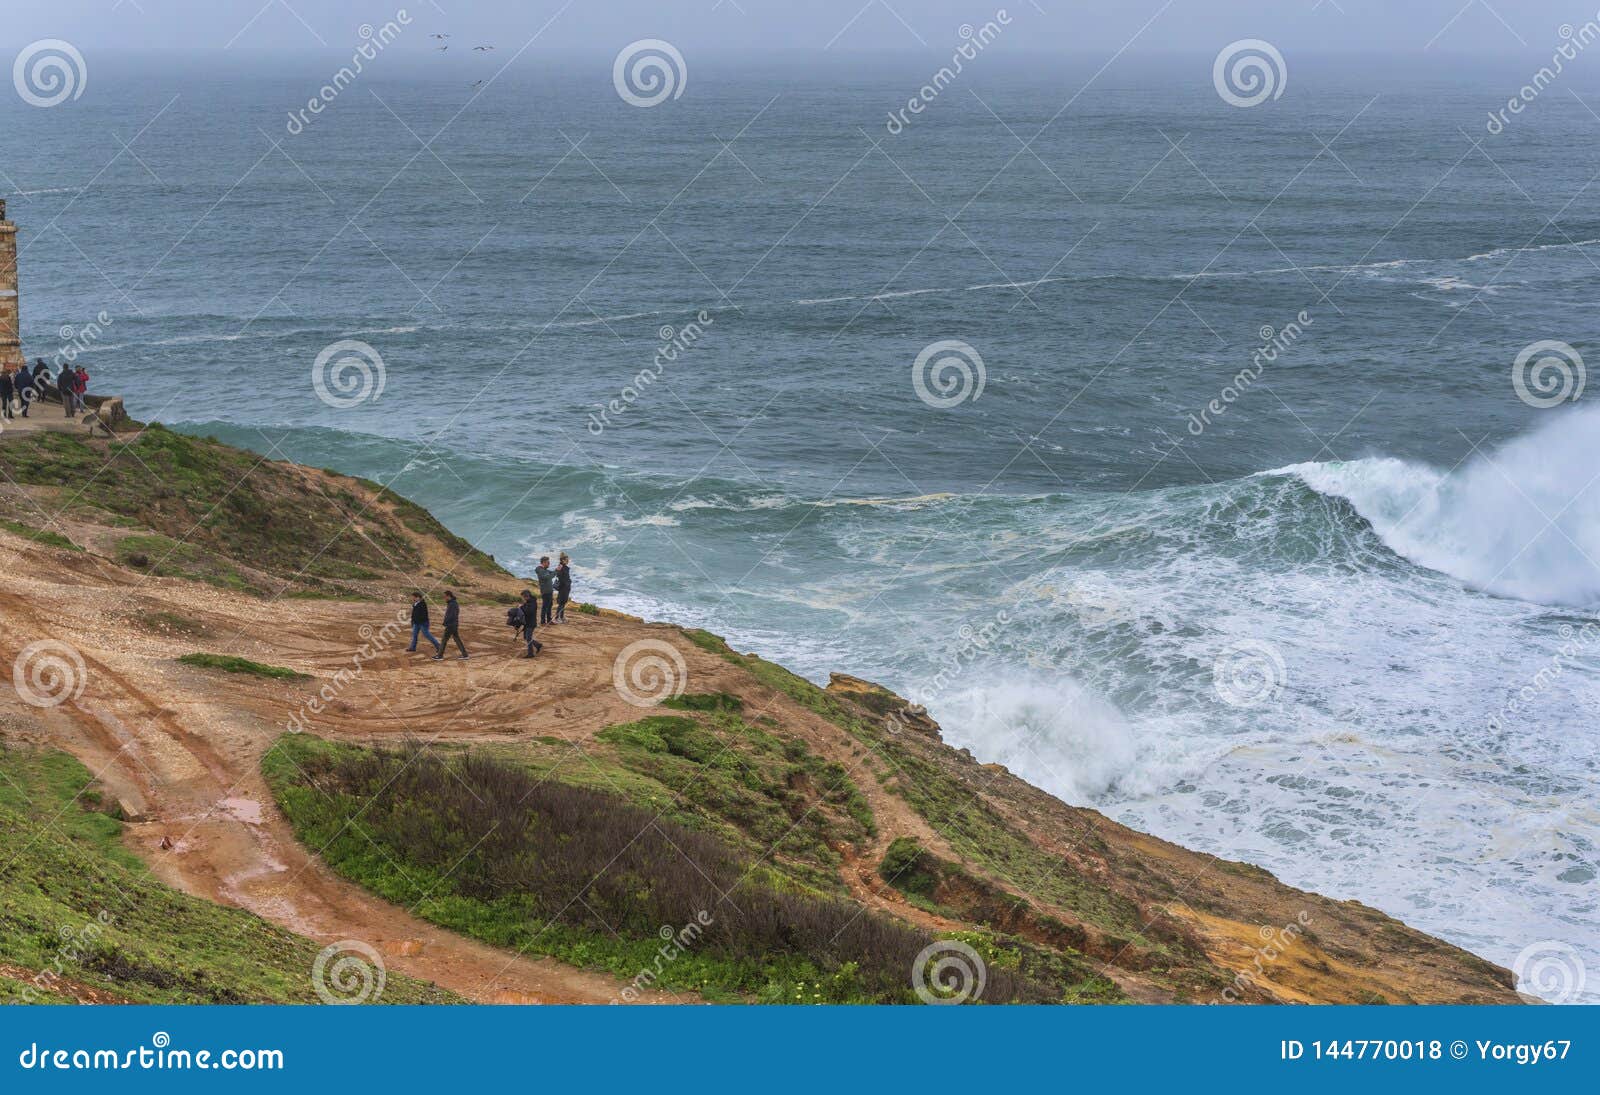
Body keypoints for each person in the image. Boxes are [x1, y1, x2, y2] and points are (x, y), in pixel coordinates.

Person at [435, 590, 469, 660]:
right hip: (454, 624)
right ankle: (465, 655)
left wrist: (445, 622)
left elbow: (452, 616)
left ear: (448, 596)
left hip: (451, 625)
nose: (444, 598)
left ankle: (439, 656)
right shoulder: (452, 603)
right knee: (457, 639)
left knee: (444, 640)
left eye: (445, 597)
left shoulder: (452, 604)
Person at [519, 589, 543, 658]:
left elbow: (529, 612)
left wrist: (521, 607)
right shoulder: (528, 602)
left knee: (528, 638)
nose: (523, 598)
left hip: (531, 623)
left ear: (527, 596)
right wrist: (522, 606)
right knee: (526, 637)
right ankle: (538, 645)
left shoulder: (532, 603)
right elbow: (525, 609)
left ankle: (530, 653)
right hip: (527, 623)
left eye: (523, 597)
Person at [535, 556, 556, 625]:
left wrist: (557, 569)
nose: (549, 564)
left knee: (549, 605)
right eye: (548, 562)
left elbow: (553, 573)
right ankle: (543, 621)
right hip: (545, 591)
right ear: (543, 562)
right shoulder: (540, 570)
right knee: (545, 606)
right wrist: (555, 571)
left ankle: (549, 620)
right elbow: (547, 577)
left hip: (549, 591)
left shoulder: (545, 570)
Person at [554, 552, 572, 622]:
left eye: (568, 560)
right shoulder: (561, 566)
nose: (568, 561)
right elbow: (559, 576)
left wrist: (568, 582)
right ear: (562, 560)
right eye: (566, 560)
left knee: (563, 603)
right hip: (563, 588)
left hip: (565, 588)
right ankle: (556, 618)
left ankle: (561, 617)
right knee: (561, 603)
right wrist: (567, 583)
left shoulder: (564, 567)